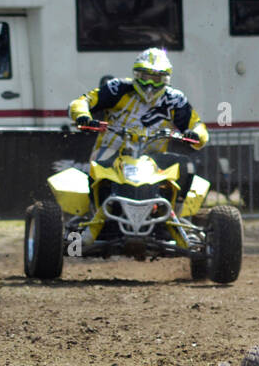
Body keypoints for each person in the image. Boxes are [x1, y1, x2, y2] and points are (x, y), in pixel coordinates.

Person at [67, 48, 209, 241]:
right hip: (113, 151)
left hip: (153, 159)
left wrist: (196, 135)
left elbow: (197, 125)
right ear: (136, 75)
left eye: (156, 79)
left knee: (186, 165)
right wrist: (83, 116)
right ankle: (95, 217)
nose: (150, 84)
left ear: (166, 79)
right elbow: (83, 101)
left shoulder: (175, 99)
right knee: (97, 169)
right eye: (145, 77)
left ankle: (173, 218)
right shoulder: (118, 88)